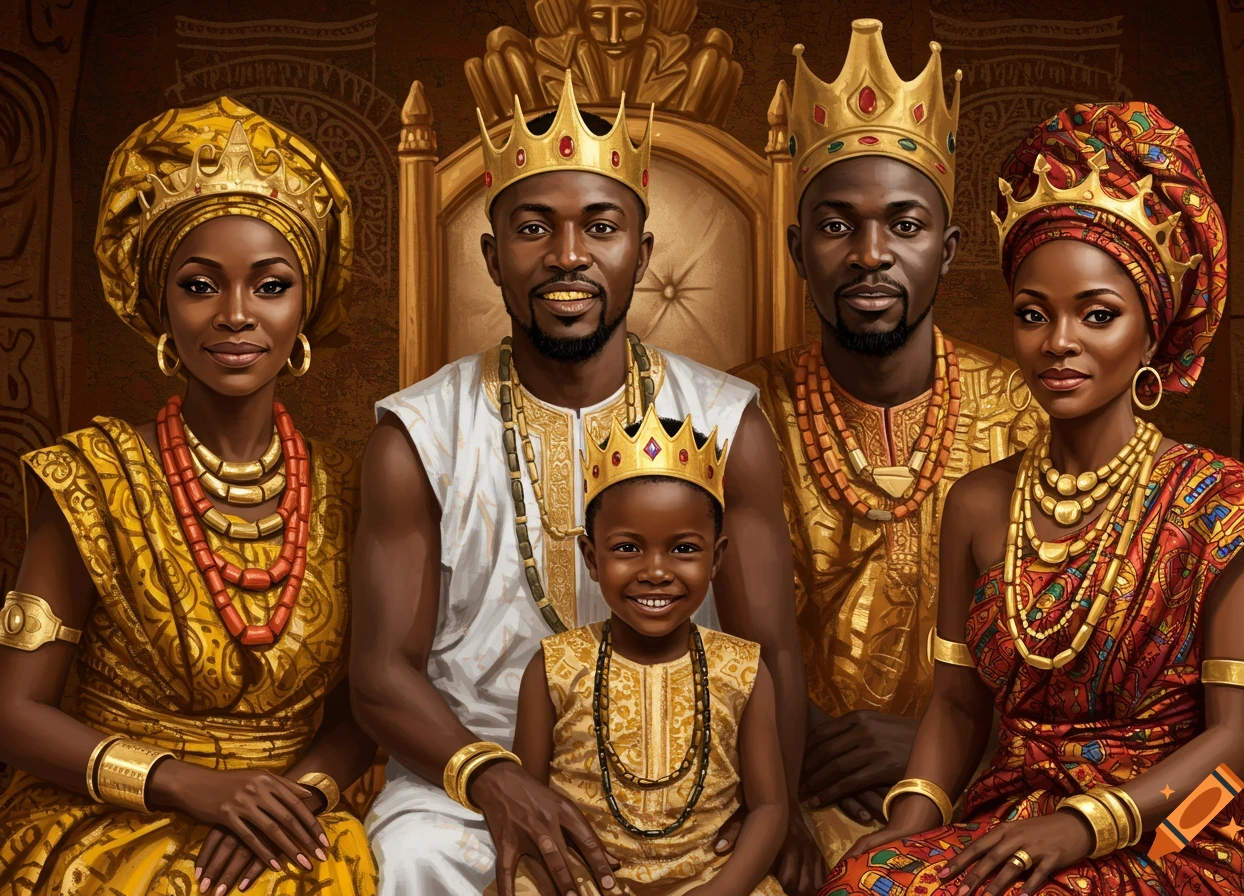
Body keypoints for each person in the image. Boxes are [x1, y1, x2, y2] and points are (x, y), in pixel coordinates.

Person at [352, 72, 809, 896]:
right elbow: (381, 674)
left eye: (600, 227)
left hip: (692, 789)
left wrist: (781, 806)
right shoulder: (418, 435)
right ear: (492, 256)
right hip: (468, 782)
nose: (568, 257)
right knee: (418, 858)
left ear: (642, 250)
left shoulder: (725, 421)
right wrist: (495, 780)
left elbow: (771, 650)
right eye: (534, 229)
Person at [819, 102, 1244, 896]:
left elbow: (1239, 742)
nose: (1057, 343)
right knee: (863, 882)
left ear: (1153, 330)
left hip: (1173, 832)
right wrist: (904, 831)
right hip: (1010, 819)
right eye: (1034, 315)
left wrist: (1084, 826)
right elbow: (959, 712)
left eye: (1096, 315)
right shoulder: (978, 503)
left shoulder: (1224, 507)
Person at [0, 98, 377, 896]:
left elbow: (359, 714)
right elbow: (13, 712)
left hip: (294, 817)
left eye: (270, 286)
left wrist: (293, 799)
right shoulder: (93, 479)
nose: (237, 316)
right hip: (112, 817)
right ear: (159, 305)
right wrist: (190, 786)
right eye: (201, 285)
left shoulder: (353, 489)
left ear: (305, 307)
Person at [731, 18, 1044, 865]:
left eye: (904, 226)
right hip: (779, 783)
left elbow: (1083, 651)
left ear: (947, 252)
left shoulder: (1030, 415)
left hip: (987, 787)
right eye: (837, 226)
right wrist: (796, 747)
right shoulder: (730, 412)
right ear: (799, 249)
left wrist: (938, 744)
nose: (871, 254)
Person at [487, 409, 789, 895]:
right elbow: (533, 803)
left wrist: (722, 890)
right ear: (592, 558)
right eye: (627, 548)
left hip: (711, 879)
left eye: (684, 549)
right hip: (589, 881)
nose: (655, 571)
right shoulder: (555, 667)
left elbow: (771, 808)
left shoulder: (744, 669)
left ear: (719, 558)